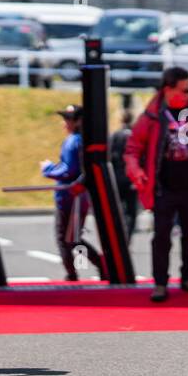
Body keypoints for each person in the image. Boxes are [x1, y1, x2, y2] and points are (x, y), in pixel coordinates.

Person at [125, 67, 188, 302]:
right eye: (185, 89)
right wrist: (136, 171)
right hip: (164, 186)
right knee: (161, 236)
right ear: (168, 89)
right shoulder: (152, 115)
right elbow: (133, 148)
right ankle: (160, 283)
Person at [40, 104, 104, 281]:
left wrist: (48, 169)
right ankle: (98, 266)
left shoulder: (73, 141)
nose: (65, 123)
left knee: (65, 237)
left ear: (78, 121)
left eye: (68, 119)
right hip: (79, 196)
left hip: (69, 195)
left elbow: (68, 170)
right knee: (73, 237)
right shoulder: (83, 140)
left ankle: (73, 272)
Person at [109, 109, 138, 240]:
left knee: (117, 208)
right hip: (131, 177)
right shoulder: (135, 135)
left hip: (117, 176)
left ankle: (117, 236)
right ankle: (127, 238)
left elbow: (109, 156)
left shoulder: (115, 135)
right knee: (131, 211)